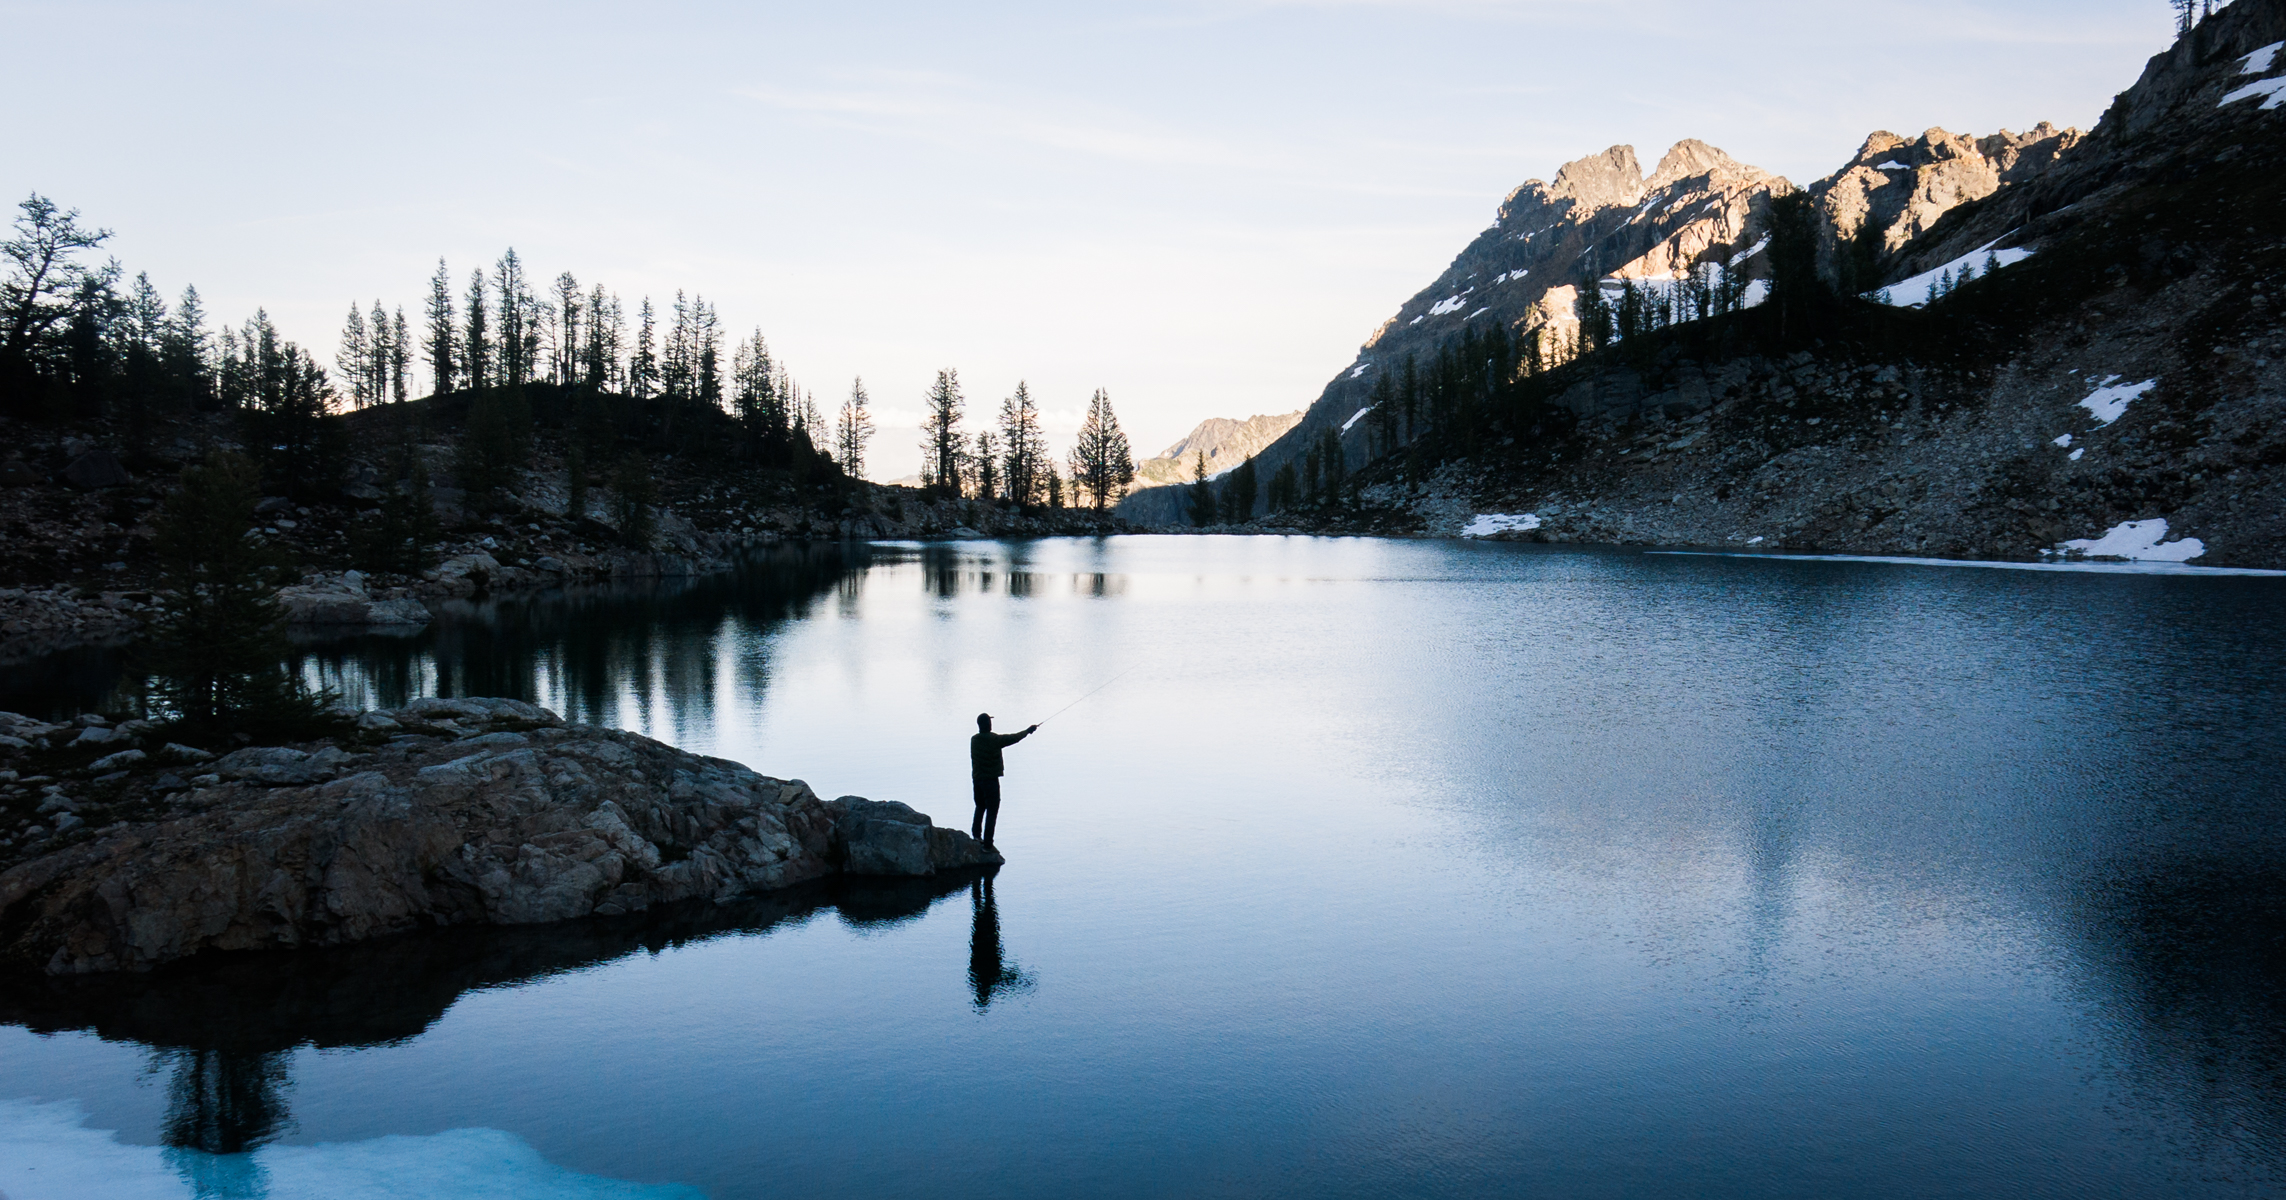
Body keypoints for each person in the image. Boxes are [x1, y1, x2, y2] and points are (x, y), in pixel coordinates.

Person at [969, 713, 1037, 847]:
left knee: (980, 806)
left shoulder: (974, 740)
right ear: (988, 724)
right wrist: (1028, 731)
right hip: (990, 781)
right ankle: (988, 844)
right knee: (992, 810)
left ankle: (976, 836)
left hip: (977, 781)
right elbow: (1014, 738)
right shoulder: (994, 739)